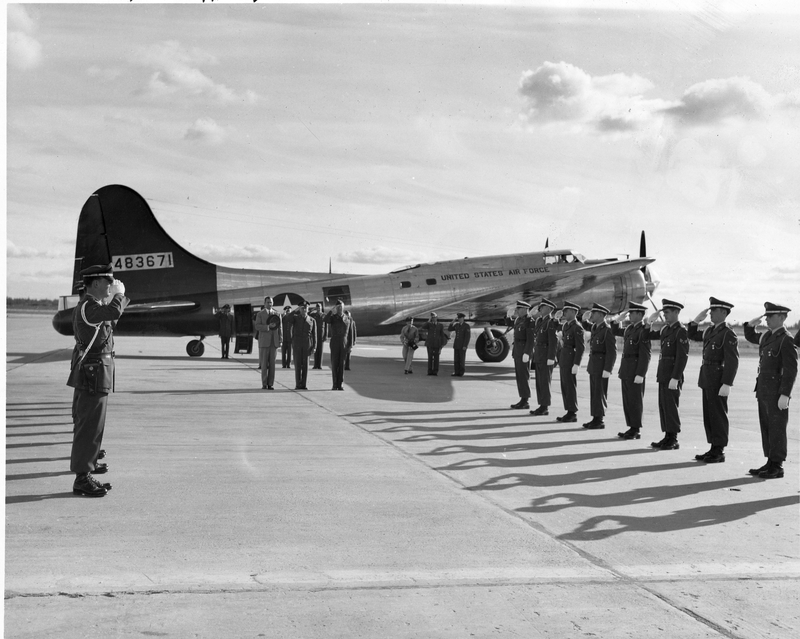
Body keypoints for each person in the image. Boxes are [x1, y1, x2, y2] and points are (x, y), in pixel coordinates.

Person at [66, 264, 129, 497]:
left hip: (96, 373)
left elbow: (109, 324)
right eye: (107, 282)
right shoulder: (88, 307)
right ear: (94, 284)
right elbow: (112, 314)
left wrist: (114, 300)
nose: (111, 286)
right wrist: (119, 296)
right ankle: (82, 478)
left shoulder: (95, 307)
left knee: (94, 425)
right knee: (89, 426)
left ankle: (87, 467)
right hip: (92, 375)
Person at [743, 303, 797, 479]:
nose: (766, 319)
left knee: (777, 428)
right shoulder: (768, 336)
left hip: (776, 391)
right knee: (766, 427)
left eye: (770, 316)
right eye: (766, 316)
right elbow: (751, 336)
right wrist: (750, 325)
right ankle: (770, 461)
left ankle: (777, 465)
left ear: (781, 318)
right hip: (764, 389)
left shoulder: (786, 339)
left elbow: (791, 369)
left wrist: (785, 394)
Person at [687, 297, 739, 464]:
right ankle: (713, 447)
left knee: (717, 414)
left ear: (724, 313)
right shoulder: (710, 331)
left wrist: (727, 383)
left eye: (714, 311)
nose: (710, 314)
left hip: (718, 377)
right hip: (707, 376)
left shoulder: (727, 333)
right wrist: (696, 320)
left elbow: (732, 360)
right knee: (709, 414)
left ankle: (719, 449)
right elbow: (693, 334)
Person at [642, 299, 690, 451]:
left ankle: (673, 438)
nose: (665, 315)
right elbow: (646, 336)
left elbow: (682, 357)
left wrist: (676, 377)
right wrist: (649, 323)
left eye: (668, 313)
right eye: (664, 313)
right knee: (663, 406)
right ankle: (667, 436)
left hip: (672, 375)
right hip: (663, 373)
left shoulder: (680, 331)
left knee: (671, 406)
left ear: (676, 312)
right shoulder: (665, 330)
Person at [608, 302, 651, 440]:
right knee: (627, 400)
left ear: (639, 314)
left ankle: (636, 429)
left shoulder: (643, 331)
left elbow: (646, 354)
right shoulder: (630, 329)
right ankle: (631, 427)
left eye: (632, 313)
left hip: (635, 370)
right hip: (626, 369)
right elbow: (615, 330)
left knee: (635, 400)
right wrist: (617, 320)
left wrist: (641, 373)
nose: (629, 315)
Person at [580, 303, 617, 429]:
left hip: (601, 366)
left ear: (601, 315)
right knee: (594, 393)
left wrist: (608, 369)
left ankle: (599, 419)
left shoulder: (607, 330)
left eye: (594, 313)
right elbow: (587, 326)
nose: (592, 315)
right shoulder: (596, 328)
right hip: (594, 365)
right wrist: (583, 320)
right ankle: (595, 417)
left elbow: (612, 351)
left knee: (599, 393)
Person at [554, 301, 585, 423]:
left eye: (566, 312)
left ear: (573, 312)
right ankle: (568, 410)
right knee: (565, 386)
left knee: (570, 387)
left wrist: (577, 364)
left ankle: (572, 412)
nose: (564, 314)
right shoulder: (566, 326)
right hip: (564, 359)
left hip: (571, 360)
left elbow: (581, 347)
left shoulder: (577, 327)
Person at [530, 299, 558, 415]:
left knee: (545, 382)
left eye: (542, 307)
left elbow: (553, 341)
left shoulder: (550, 322)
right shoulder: (540, 321)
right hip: (539, 355)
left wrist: (551, 357)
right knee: (540, 382)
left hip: (546, 356)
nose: (540, 309)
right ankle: (541, 404)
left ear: (549, 309)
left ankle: (545, 406)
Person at [509, 301, 535, 409]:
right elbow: (512, 326)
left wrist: (527, 352)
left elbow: (530, 339)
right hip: (518, 350)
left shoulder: (529, 321)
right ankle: (522, 398)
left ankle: (525, 400)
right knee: (519, 376)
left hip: (524, 350)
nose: (517, 311)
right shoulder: (519, 320)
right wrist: (508, 317)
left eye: (518, 309)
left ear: (524, 309)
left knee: (524, 376)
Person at [323, 299, 352, 390]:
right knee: (335, 364)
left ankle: (341, 383)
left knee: (342, 364)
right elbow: (325, 320)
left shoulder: (347, 318)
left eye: (341, 306)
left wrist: (349, 346)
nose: (340, 308)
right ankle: (335, 384)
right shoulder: (333, 317)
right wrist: (331, 311)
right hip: (335, 341)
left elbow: (350, 334)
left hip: (344, 342)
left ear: (343, 307)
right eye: (338, 307)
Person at [254, 296, 282, 390]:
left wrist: (280, 340)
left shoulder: (277, 314)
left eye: (271, 302)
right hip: (264, 343)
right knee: (264, 364)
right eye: (268, 302)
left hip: (274, 343)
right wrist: (267, 327)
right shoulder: (260, 314)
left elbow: (280, 328)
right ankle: (264, 383)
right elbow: (257, 326)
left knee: (272, 365)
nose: (269, 304)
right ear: (264, 303)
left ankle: (270, 384)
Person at [288, 303, 316, 389]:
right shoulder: (295, 318)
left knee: (305, 365)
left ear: (308, 309)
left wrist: (314, 346)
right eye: (302, 308)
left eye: (305, 308)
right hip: (297, 343)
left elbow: (314, 335)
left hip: (307, 344)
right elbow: (288, 318)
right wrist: (295, 310)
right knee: (298, 365)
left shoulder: (312, 320)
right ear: (300, 309)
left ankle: (303, 384)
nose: (304, 310)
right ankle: (298, 384)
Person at [310, 303, 327, 369]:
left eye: (319, 307)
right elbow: (308, 314)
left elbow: (326, 326)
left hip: (321, 334)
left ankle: (319, 365)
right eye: (317, 307)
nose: (318, 308)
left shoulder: (324, 315)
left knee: (320, 350)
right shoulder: (313, 315)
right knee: (315, 349)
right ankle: (315, 365)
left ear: (321, 307)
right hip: (315, 334)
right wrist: (312, 310)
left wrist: (326, 335)